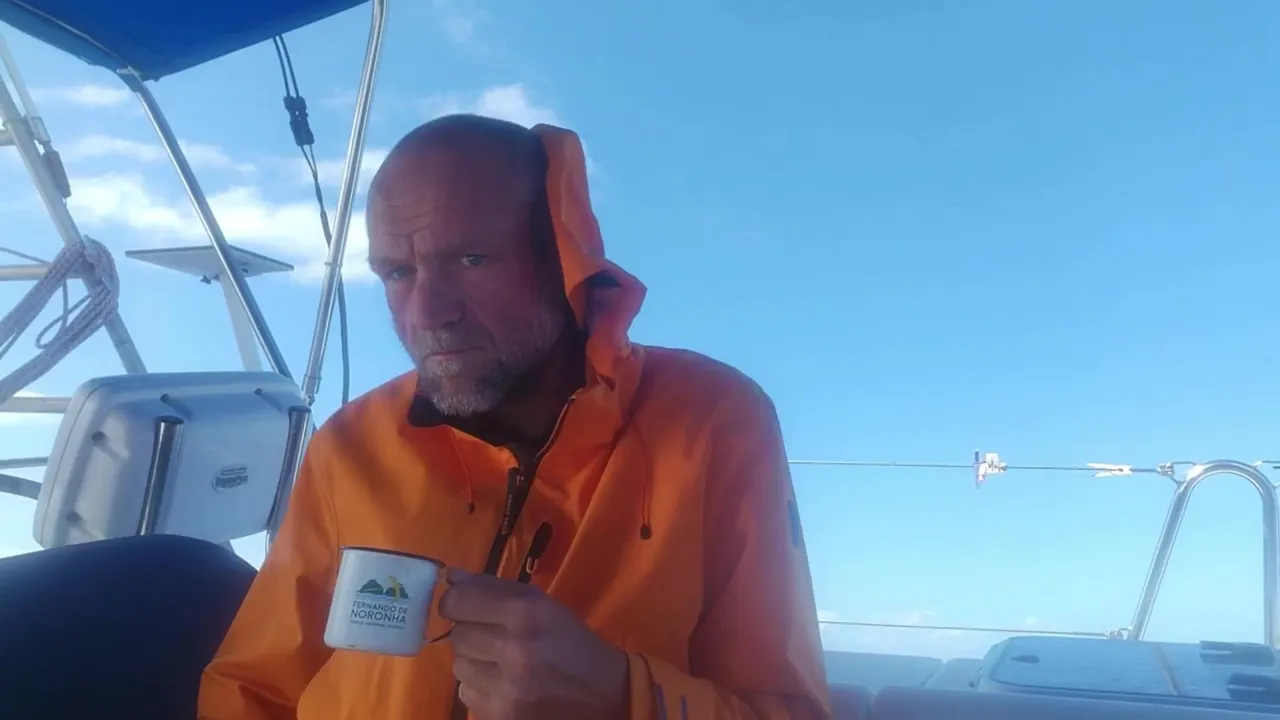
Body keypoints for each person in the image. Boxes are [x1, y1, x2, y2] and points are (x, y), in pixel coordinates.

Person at [198, 114, 831, 720]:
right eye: (398, 272)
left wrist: (620, 700)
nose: (427, 313)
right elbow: (252, 690)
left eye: (471, 260)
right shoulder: (349, 447)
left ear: (564, 261)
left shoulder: (713, 422)